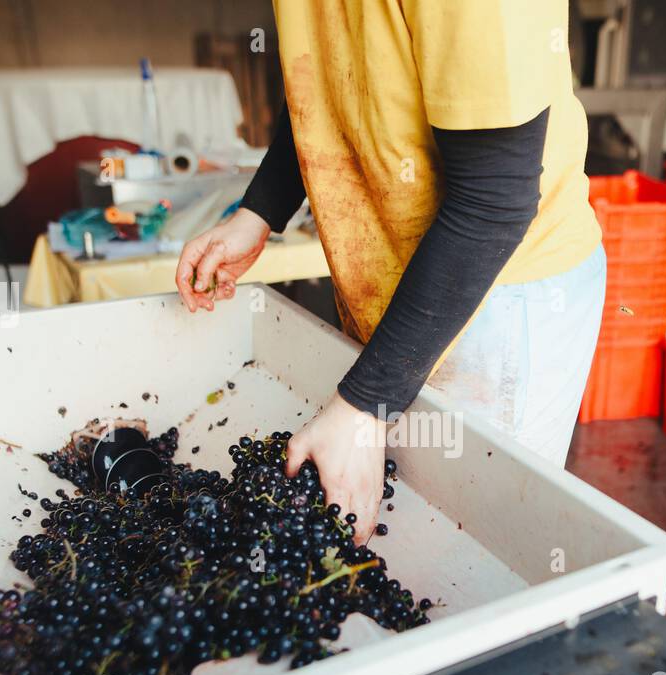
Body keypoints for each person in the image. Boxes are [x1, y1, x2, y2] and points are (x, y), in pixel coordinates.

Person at [177, 1, 605, 544]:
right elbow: (332, 83)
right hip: (401, 280)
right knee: (384, 522)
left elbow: (494, 205)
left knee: (467, 549)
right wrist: (257, 211)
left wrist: (365, 404)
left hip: (493, 288)